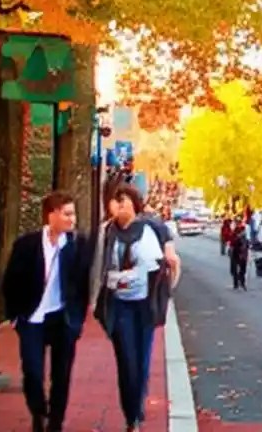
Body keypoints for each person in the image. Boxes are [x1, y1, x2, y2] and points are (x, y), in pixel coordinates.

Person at [2, 192, 91, 432]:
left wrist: (78, 321)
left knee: (61, 375)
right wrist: (15, 317)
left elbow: (82, 286)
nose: (72, 219)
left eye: (73, 214)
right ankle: (38, 412)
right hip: (32, 318)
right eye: (67, 214)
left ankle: (55, 423)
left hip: (63, 318)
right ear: (51, 215)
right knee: (32, 371)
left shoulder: (77, 245)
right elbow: (10, 282)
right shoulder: (27, 245)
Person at [94, 184, 170, 432]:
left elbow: (160, 265)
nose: (119, 206)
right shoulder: (106, 232)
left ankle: (137, 407)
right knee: (126, 360)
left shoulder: (149, 230)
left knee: (142, 360)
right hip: (119, 304)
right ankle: (131, 416)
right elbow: (98, 268)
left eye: (124, 201)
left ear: (135, 205)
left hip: (144, 304)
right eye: (115, 201)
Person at [228, 222, 249, 291]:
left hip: (241, 255)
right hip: (236, 254)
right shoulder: (235, 235)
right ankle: (237, 283)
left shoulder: (244, 237)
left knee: (241, 270)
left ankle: (240, 283)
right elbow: (232, 244)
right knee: (235, 270)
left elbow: (246, 245)